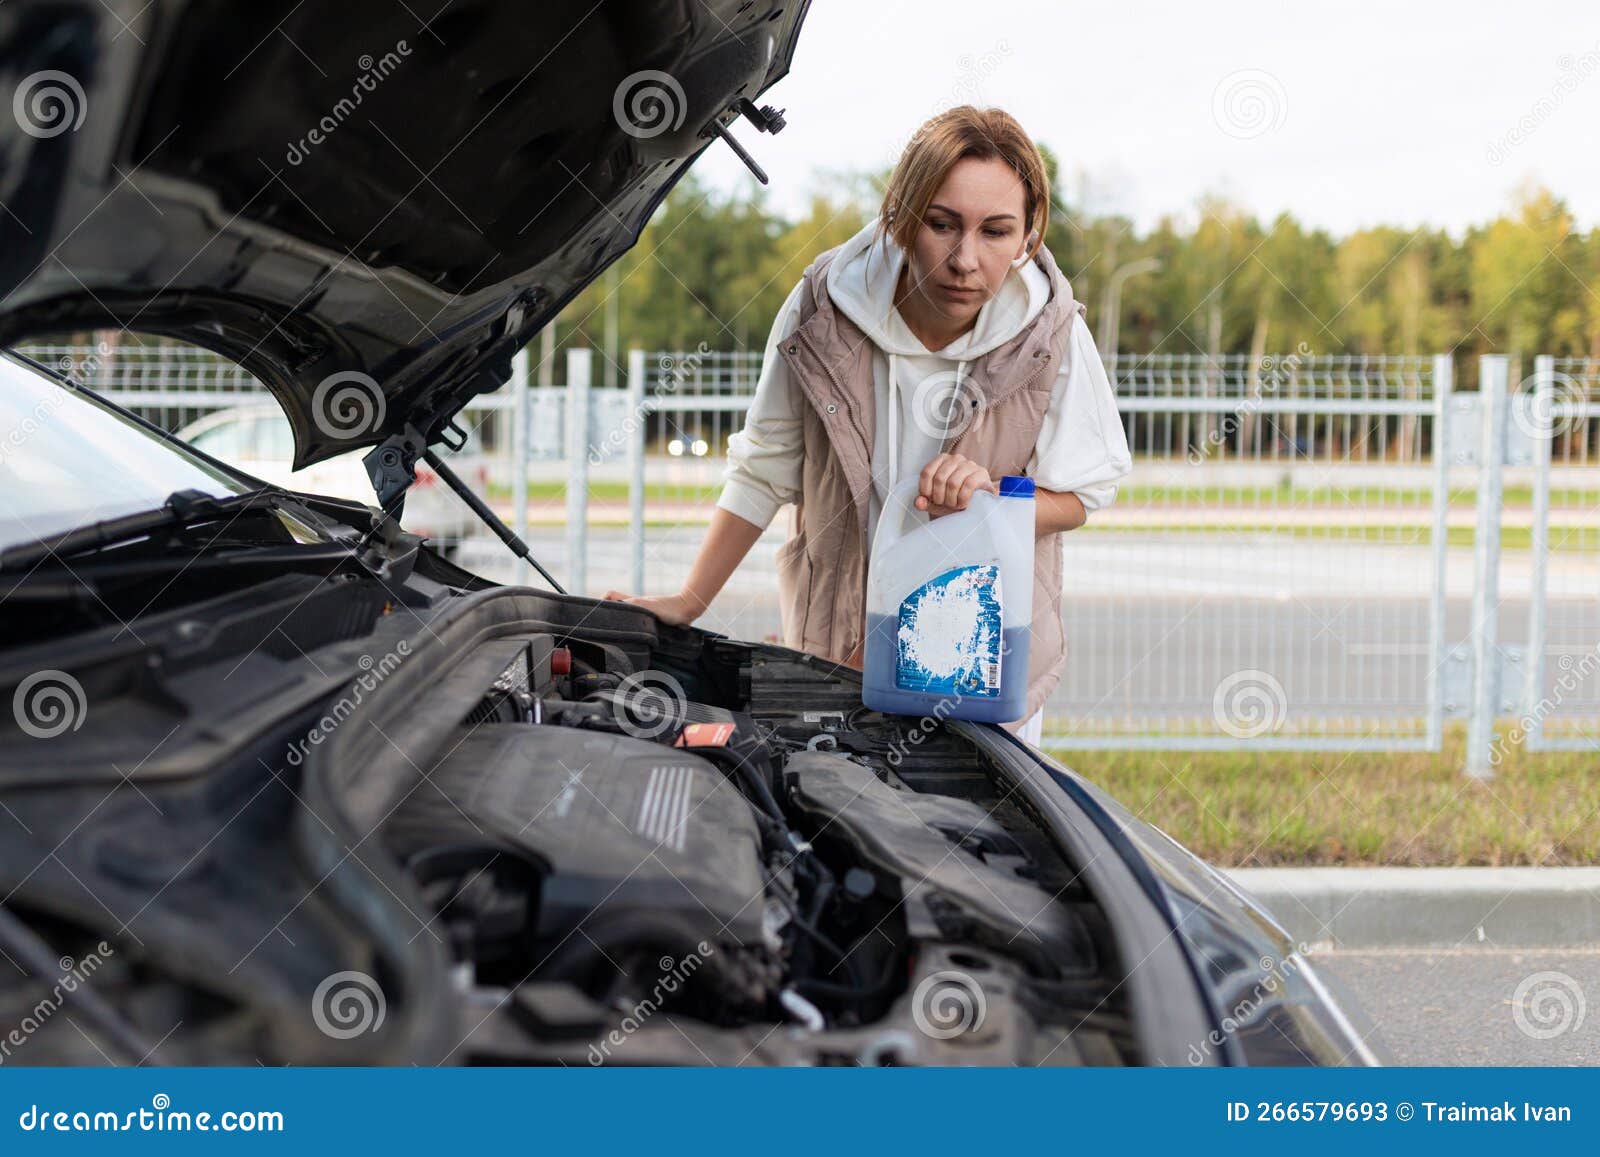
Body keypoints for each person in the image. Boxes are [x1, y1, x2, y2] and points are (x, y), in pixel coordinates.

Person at [607, 106, 1131, 744]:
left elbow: (1083, 495)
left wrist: (989, 502)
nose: (966, 260)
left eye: (996, 232)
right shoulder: (823, 307)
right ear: (903, 218)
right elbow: (765, 463)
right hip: (837, 658)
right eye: (942, 224)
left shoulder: (1052, 334)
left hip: (980, 673)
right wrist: (690, 600)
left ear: (1027, 236)